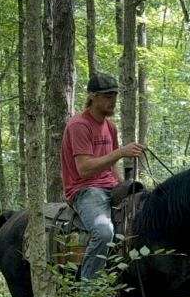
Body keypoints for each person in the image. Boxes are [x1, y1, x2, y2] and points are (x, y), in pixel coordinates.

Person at [61, 72, 144, 282]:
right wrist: (121, 152)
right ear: (92, 97)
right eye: (107, 96)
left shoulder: (110, 126)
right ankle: (88, 291)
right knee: (104, 232)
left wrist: (120, 185)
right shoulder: (79, 125)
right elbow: (84, 169)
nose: (113, 100)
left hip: (110, 187)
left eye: (114, 95)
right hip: (85, 190)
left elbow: (111, 164)